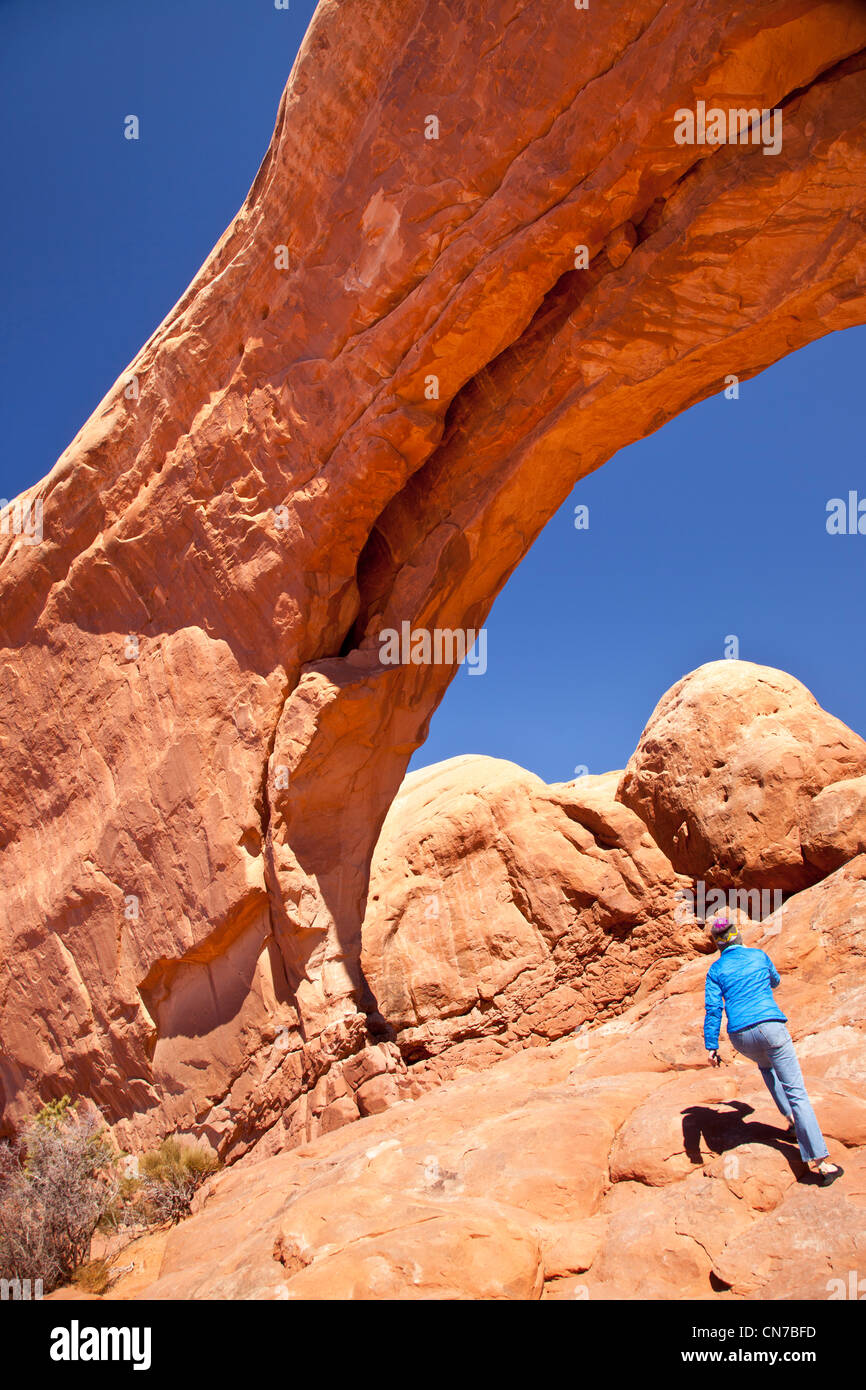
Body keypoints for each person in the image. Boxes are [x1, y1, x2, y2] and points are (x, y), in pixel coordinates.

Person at [703, 914, 843, 1185]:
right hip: (770, 1026)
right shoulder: (757, 955)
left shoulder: (716, 970)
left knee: (766, 1067)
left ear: (718, 944)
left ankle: (791, 1122)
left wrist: (711, 1046)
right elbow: (775, 980)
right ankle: (821, 1163)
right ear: (737, 936)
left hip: (741, 1037)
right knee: (797, 1092)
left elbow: (713, 1009)